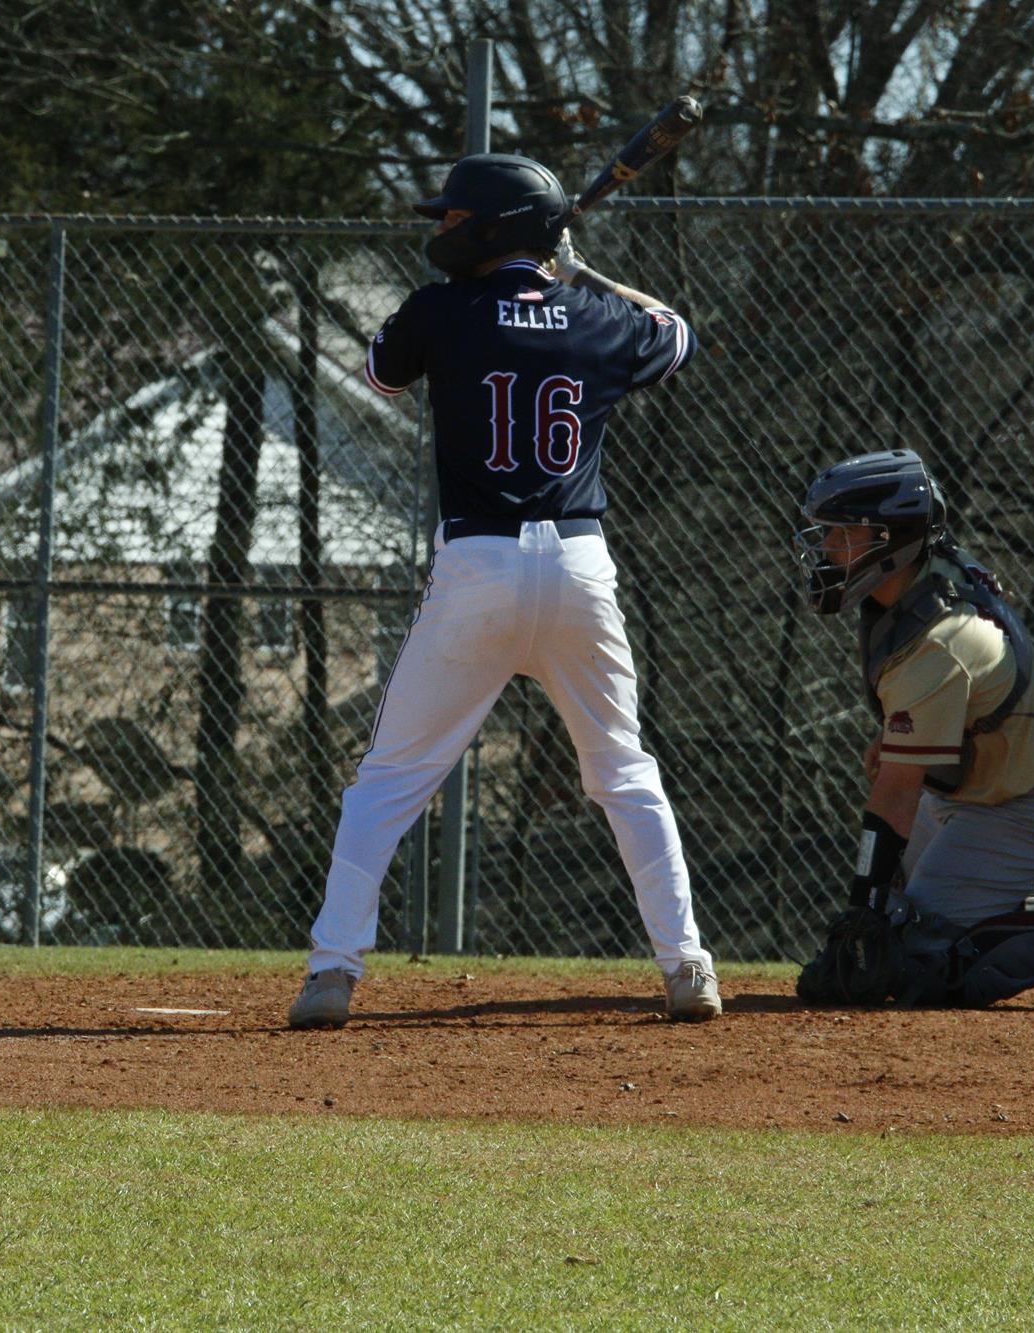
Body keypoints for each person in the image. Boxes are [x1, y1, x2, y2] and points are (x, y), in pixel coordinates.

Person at [286, 152, 718, 1030]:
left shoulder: (440, 311)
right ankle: (687, 965)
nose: (441, 230)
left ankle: (333, 970)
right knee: (625, 774)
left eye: (454, 219)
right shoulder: (596, 316)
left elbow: (381, 372)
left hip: (477, 569)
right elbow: (676, 332)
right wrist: (582, 277)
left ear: (494, 228)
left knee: (385, 783)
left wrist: (544, 275)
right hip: (579, 569)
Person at [789, 449, 1034, 1010]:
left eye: (844, 534)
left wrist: (858, 915)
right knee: (899, 919)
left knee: (920, 964)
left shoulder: (938, 638)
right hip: (974, 787)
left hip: (1025, 801)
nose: (828, 549)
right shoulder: (925, 582)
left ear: (891, 540)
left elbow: (894, 795)